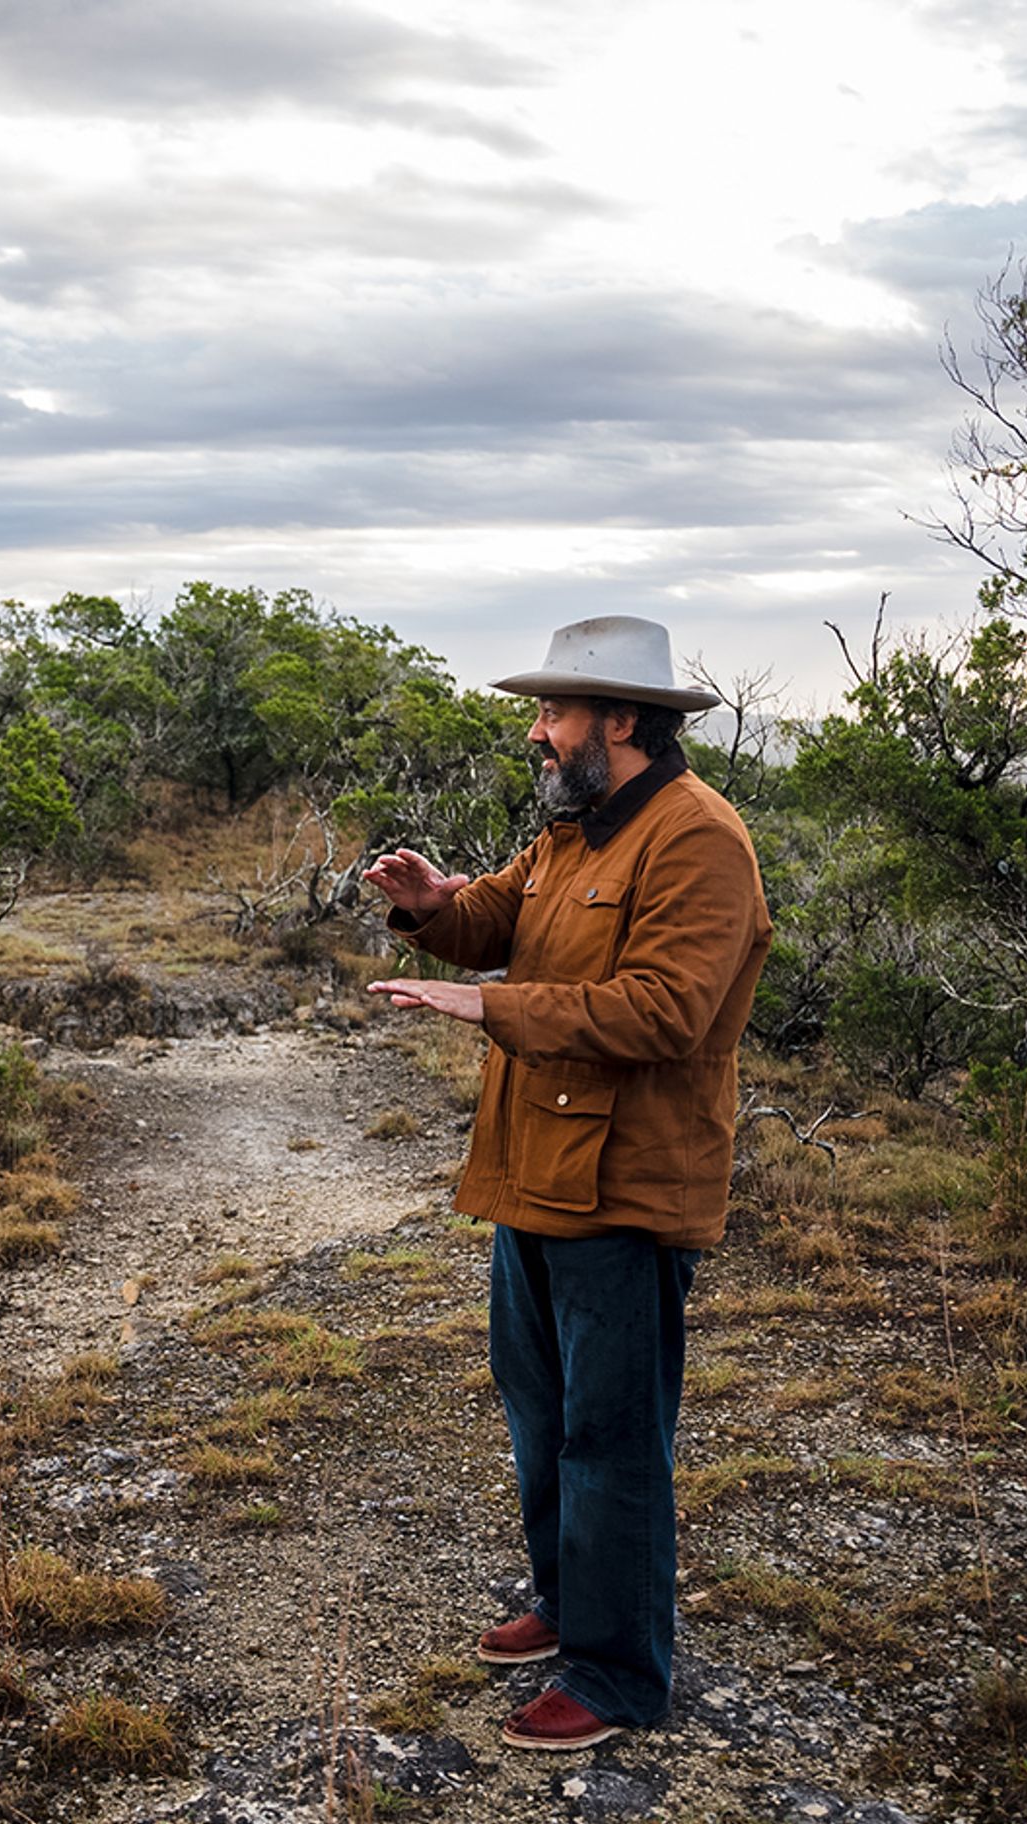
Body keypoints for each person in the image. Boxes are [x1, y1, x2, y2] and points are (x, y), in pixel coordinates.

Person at [364, 613, 770, 1753]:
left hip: (626, 1190)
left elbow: (665, 1010)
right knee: (541, 1413)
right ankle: (565, 1603)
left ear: (622, 720)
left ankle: (617, 1670)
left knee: (611, 1435)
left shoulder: (698, 838)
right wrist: (436, 906)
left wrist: (490, 1003)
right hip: (533, 1177)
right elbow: (503, 912)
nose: (538, 734)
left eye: (554, 713)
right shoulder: (575, 829)